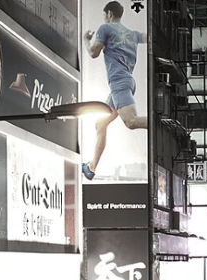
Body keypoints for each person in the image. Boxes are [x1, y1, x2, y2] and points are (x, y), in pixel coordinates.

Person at [82, 1, 148, 181]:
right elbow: (146, 37)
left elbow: (93, 53)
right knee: (100, 124)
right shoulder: (132, 34)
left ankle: (158, 124)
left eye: (104, 15)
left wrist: (85, 40)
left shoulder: (106, 28)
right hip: (126, 83)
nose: (104, 18)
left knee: (131, 122)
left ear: (109, 14)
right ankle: (91, 168)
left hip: (119, 83)